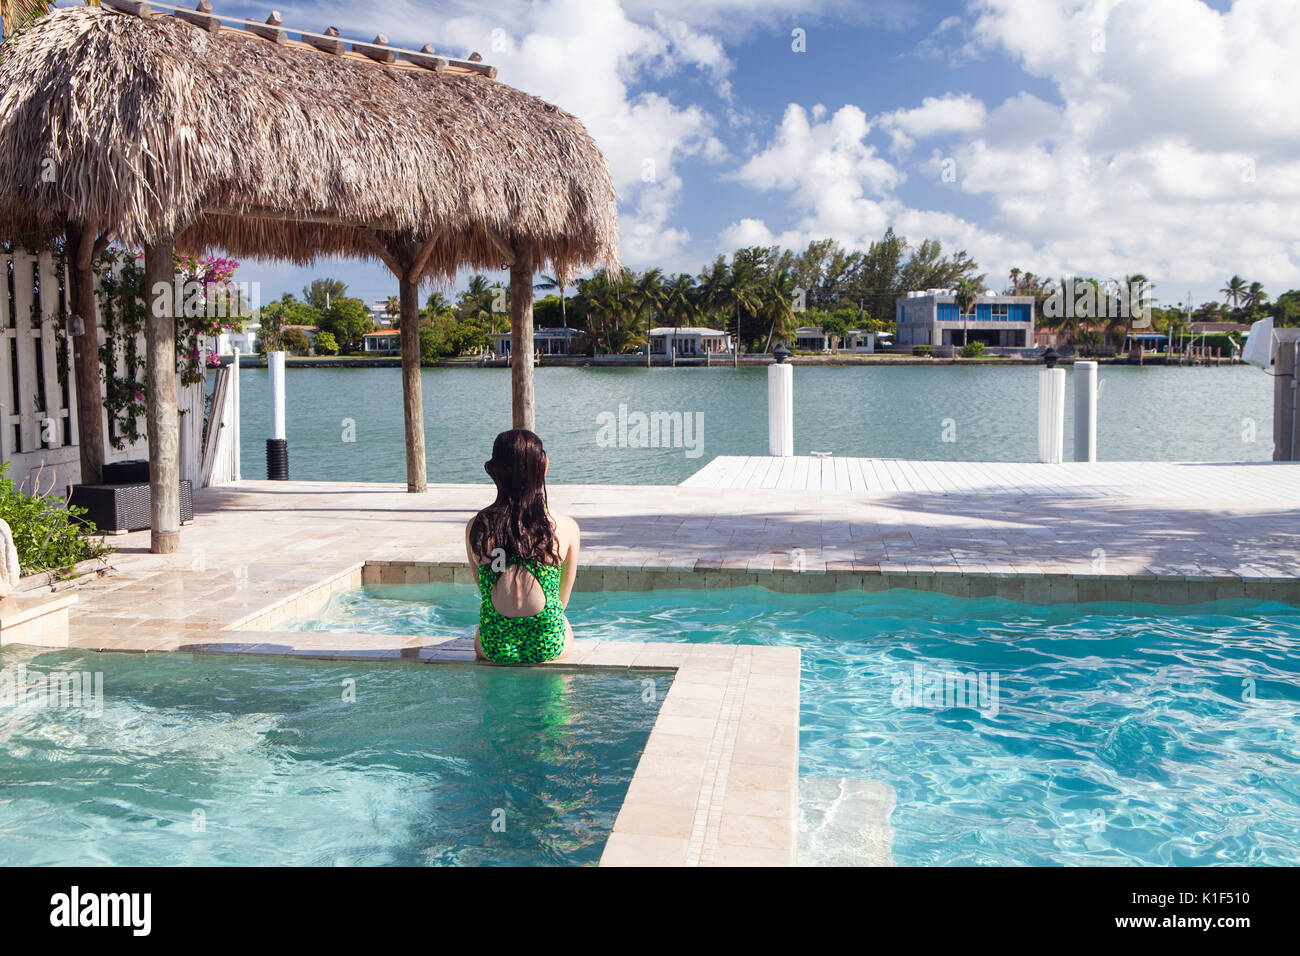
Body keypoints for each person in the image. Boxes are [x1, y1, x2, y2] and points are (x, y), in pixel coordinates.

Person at [465, 429, 580, 664]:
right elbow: (561, 602)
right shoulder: (566, 527)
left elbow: (485, 592)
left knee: (482, 625)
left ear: (493, 471)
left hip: (494, 647)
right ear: (544, 466)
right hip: (548, 646)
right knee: (564, 622)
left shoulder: (476, 527)